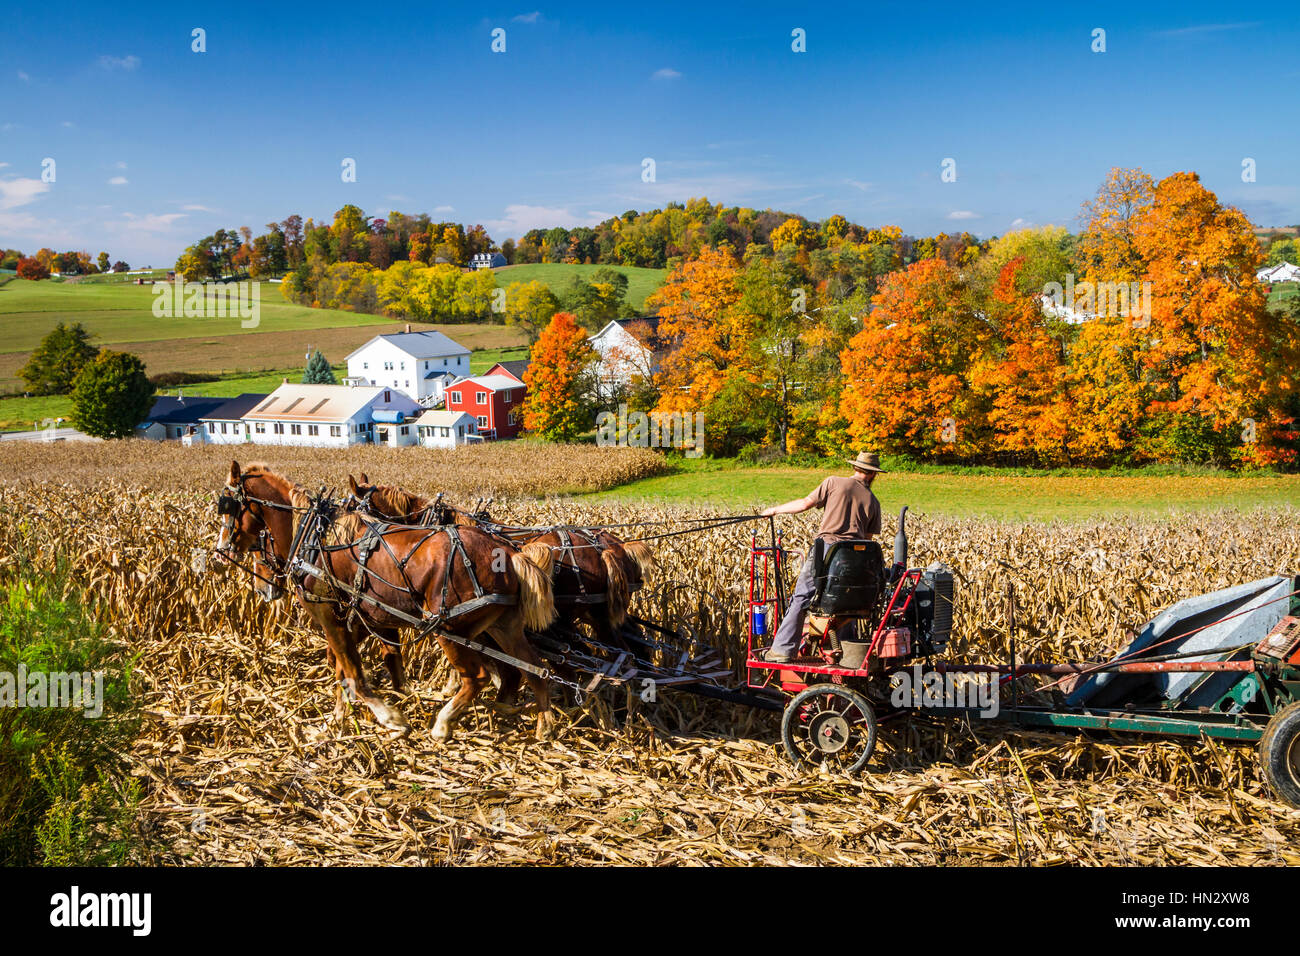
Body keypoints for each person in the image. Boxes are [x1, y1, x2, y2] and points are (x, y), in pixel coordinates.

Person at [758, 451, 883, 662]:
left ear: (855, 468)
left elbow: (805, 504)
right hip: (854, 561)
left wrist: (774, 510)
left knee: (802, 597)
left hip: (827, 552)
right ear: (873, 475)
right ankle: (843, 653)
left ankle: (782, 650)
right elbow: (867, 541)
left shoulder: (834, 482)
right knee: (848, 602)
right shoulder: (873, 501)